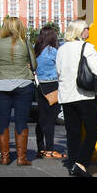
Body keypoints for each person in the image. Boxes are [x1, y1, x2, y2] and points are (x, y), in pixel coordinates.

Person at [55, 20, 97, 177]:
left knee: (73, 132)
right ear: (80, 31)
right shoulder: (86, 47)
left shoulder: (61, 49)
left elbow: (59, 71)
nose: (89, 31)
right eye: (87, 28)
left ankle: (73, 165)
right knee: (94, 129)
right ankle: (80, 163)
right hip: (84, 95)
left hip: (66, 95)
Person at [0, 16, 36, 165]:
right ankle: (21, 158)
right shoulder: (25, 43)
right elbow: (33, 65)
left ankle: (4, 157)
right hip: (23, 84)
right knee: (21, 120)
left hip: (1, 84)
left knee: (2, 120)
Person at [33, 24, 64, 160]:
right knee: (51, 120)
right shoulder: (53, 51)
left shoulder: (37, 50)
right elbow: (60, 69)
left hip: (39, 87)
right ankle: (50, 149)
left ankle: (40, 148)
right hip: (53, 86)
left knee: (41, 119)